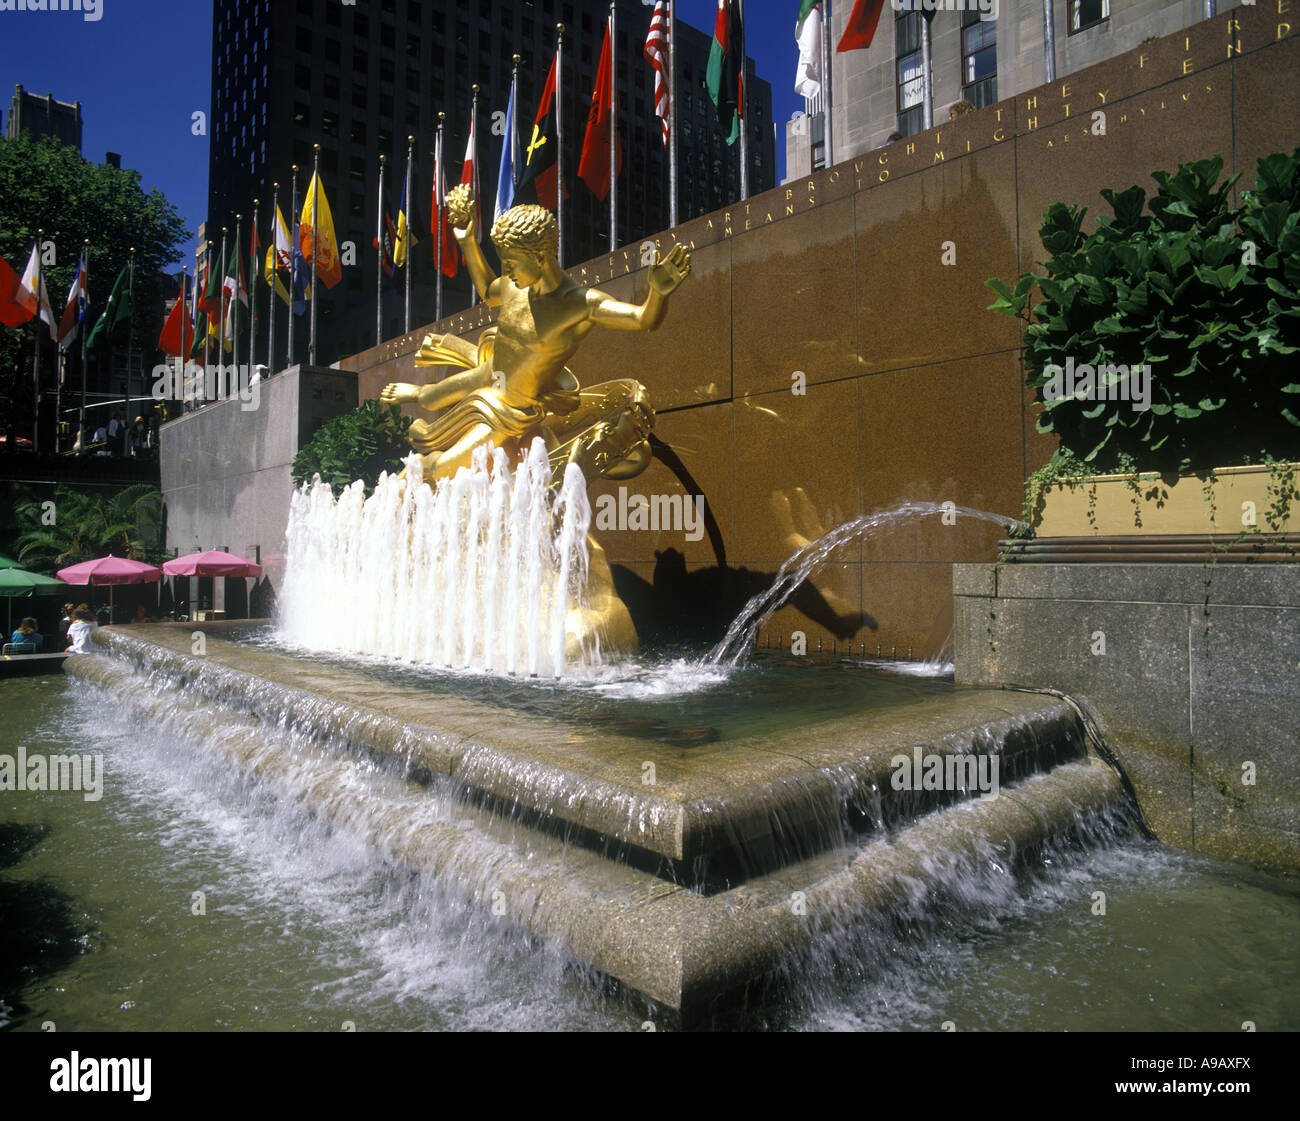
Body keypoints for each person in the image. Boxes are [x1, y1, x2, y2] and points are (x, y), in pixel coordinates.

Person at [382, 185, 690, 483]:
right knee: (431, 396)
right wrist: (466, 242)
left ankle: (403, 485)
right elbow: (488, 291)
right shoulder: (517, 286)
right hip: (488, 375)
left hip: (510, 410)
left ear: (540, 257)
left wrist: (658, 295)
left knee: (442, 468)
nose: (508, 271)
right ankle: (417, 399)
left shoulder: (579, 304)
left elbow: (641, 320)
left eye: (512, 263)